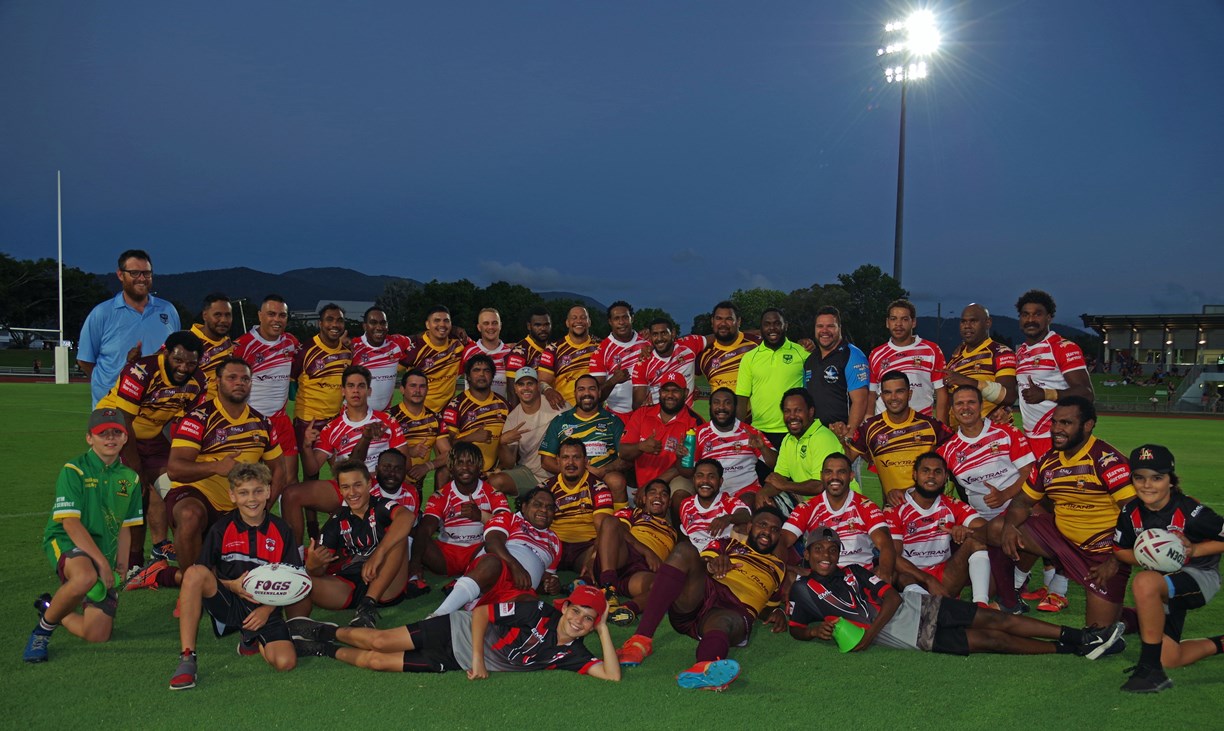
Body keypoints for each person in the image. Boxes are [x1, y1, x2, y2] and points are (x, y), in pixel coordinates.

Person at [786, 527, 1125, 659]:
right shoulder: (802, 591)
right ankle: (1071, 649)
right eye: (819, 550)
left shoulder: (855, 571)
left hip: (917, 607)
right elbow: (796, 627)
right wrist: (814, 630)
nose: (826, 556)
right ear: (808, 553)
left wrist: (868, 636)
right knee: (990, 641)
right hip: (912, 637)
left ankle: (1081, 635)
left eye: (833, 550)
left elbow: (890, 598)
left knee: (995, 619)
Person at [126, 357, 285, 590]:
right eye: (232, 378)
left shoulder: (262, 422)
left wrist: (263, 507)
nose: (239, 383)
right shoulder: (199, 418)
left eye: (245, 379)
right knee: (189, 515)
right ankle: (194, 589)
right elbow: (175, 469)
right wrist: (215, 467)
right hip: (200, 496)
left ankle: (166, 576)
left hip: (240, 506)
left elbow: (279, 469)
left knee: (249, 579)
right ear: (218, 381)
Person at [980, 396, 1134, 623]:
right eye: (1054, 422)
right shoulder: (1048, 461)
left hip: (1101, 552)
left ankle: (1151, 617)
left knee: (1098, 629)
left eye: (1066, 423)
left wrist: (1115, 561)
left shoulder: (1106, 461)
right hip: (1061, 540)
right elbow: (1022, 502)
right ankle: (1009, 598)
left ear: (1088, 425)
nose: (1056, 429)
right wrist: (1011, 526)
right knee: (997, 528)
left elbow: (1134, 515)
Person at [287, 584, 620, 681]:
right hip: (456, 629)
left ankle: (321, 649)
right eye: (576, 611)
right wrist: (480, 658)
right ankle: (326, 631)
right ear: (564, 608)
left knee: (376, 663)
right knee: (379, 640)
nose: (578, 620)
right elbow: (480, 613)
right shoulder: (537, 611)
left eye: (589, 619)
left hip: (455, 660)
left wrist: (605, 630)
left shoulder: (574, 654)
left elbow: (612, 675)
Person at [616, 507, 789, 692]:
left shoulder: (779, 568)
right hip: (702, 596)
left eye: (774, 529)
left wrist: (777, 611)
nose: (767, 532)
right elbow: (704, 563)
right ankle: (639, 643)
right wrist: (712, 565)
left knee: (724, 621)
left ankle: (704, 669)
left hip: (736, 610)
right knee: (684, 550)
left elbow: (767, 605)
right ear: (749, 527)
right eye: (762, 525)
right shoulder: (727, 544)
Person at [167, 463, 302, 690]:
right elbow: (202, 572)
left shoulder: (282, 530)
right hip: (229, 603)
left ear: (268, 491)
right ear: (232, 495)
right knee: (193, 573)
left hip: (265, 607)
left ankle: (251, 637)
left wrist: (267, 609)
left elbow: (293, 580)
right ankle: (187, 659)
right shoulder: (221, 529)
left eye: (258, 491)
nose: (252, 499)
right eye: (243, 492)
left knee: (285, 662)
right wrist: (232, 586)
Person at [24, 409, 143, 663]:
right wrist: (101, 563)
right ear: (89, 438)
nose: (110, 439)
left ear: (125, 438)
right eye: (102, 434)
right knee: (86, 575)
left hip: (103, 549)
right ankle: (42, 633)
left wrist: (121, 564)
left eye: (116, 433)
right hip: (67, 540)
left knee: (97, 634)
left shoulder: (130, 478)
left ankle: (53, 607)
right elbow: (70, 524)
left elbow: (125, 526)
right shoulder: (74, 470)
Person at [1111, 444, 1224, 693]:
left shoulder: (1191, 511)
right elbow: (1120, 550)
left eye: (1157, 478)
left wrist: (1194, 550)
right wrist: (1148, 556)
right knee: (1170, 658)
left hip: (1199, 577)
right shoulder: (1130, 512)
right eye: (1139, 478)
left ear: (1171, 481)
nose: (1147, 485)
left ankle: (1150, 671)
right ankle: (1218, 645)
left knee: (1145, 582)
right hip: (1163, 582)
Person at [97, 329, 206, 569]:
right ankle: (131, 560)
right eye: (178, 360)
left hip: (151, 433)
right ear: (165, 353)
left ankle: (161, 547)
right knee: (134, 490)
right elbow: (123, 418)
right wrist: (136, 467)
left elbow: (185, 422)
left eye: (191, 363)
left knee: (173, 486)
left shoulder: (197, 381)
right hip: (112, 428)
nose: (183, 368)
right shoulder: (141, 371)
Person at [284, 365, 408, 545]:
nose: (355, 391)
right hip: (346, 485)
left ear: (369, 390)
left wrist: (379, 474)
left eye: (361, 386)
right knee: (291, 494)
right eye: (350, 386)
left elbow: (405, 462)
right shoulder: (332, 427)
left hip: (380, 485)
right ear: (343, 391)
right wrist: (306, 446)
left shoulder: (386, 421)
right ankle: (295, 557)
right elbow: (312, 468)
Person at [938, 385, 1035, 611]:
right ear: (952, 410)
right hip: (981, 522)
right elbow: (938, 493)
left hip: (1017, 511)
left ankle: (1016, 587)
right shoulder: (948, 450)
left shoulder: (1006, 433)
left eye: (971, 402)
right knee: (982, 581)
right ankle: (990, 600)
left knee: (1037, 518)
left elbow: (1029, 471)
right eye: (959, 403)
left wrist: (1005, 495)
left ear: (982, 406)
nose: (966, 408)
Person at [302, 460, 415, 629]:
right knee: (302, 581)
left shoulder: (382, 505)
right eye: (346, 487)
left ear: (369, 484)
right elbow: (320, 569)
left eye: (357, 485)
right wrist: (312, 566)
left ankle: (367, 607)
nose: (352, 492)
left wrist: (378, 554)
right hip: (349, 586)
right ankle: (299, 628)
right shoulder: (336, 520)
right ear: (340, 489)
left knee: (399, 538)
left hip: (387, 585)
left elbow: (407, 517)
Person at [428, 488, 562, 617]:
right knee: (492, 562)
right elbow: (492, 543)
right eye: (537, 505)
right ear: (524, 507)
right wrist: (515, 567)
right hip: (496, 573)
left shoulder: (555, 542)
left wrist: (549, 586)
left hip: (520, 589)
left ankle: (482, 616)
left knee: (533, 606)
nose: (544, 510)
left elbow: (544, 578)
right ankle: (439, 614)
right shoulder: (510, 518)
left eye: (550, 507)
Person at [884, 453, 991, 606]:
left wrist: (964, 531)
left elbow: (986, 530)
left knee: (976, 541)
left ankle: (981, 605)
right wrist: (928, 579)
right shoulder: (895, 509)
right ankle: (928, 608)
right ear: (915, 474)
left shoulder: (952, 504)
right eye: (925, 471)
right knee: (902, 576)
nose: (931, 476)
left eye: (937, 472)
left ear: (945, 476)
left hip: (944, 576)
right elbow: (892, 556)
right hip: (911, 576)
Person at [78, 249, 182, 406]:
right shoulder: (102, 313)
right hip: (113, 406)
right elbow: (85, 361)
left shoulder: (168, 310)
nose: (142, 278)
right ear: (120, 275)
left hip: (156, 407)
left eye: (146, 273)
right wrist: (107, 386)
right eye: (134, 273)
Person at [778, 453, 896, 579]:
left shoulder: (866, 506)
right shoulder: (807, 507)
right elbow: (782, 540)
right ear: (821, 476)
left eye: (841, 472)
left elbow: (886, 544)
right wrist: (785, 567)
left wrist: (883, 576)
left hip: (858, 579)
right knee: (790, 577)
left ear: (851, 476)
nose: (835, 477)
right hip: (820, 579)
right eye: (829, 472)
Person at [846, 370, 954, 507]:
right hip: (893, 512)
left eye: (899, 391)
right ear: (882, 396)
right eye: (887, 392)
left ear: (909, 394)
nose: (893, 397)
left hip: (930, 510)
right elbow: (848, 457)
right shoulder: (870, 428)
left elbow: (958, 456)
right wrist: (840, 439)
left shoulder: (931, 426)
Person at [409, 443, 511, 581]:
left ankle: (468, 578)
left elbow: (508, 523)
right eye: (460, 462)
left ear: (480, 466)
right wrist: (415, 562)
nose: (465, 467)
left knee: (503, 543)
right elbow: (426, 529)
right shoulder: (440, 495)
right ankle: (414, 572)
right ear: (451, 467)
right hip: (444, 557)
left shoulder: (493, 493)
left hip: (478, 551)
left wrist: (480, 516)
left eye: (471, 462)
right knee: (413, 533)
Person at [1014, 289, 1093, 458]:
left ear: (1049, 317)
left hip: (1057, 438)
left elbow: (1086, 393)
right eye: (1025, 315)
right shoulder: (1021, 351)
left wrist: (1046, 394)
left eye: (1037, 314)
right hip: (1030, 438)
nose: (1030, 320)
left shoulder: (1062, 347)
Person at [233, 295, 301, 477]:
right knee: (248, 482)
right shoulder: (243, 345)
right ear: (260, 315)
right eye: (271, 314)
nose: (277, 320)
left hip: (280, 421)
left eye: (282, 315)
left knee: (289, 481)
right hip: (250, 423)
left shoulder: (290, 343)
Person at [594, 479, 678, 626]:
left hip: (639, 573)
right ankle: (608, 587)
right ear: (644, 499)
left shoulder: (674, 532)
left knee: (664, 585)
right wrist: (647, 552)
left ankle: (627, 609)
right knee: (610, 521)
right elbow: (615, 531)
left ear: (669, 502)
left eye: (663, 494)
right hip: (621, 557)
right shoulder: (633, 512)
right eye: (653, 493)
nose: (658, 497)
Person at [538, 373, 629, 507]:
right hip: (570, 475)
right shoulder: (560, 421)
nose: (586, 393)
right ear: (575, 393)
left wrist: (602, 471)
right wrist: (577, 471)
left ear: (599, 392)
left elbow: (626, 459)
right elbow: (546, 461)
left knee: (616, 480)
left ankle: (621, 520)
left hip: (603, 475)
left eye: (591, 389)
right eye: (581, 389)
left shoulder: (613, 421)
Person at [620, 373, 704, 515]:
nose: (670, 395)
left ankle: (681, 534)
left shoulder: (695, 422)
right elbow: (623, 451)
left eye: (675, 391)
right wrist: (641, 447)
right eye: (666, 390)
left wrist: (650, 486)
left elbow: (686, 467)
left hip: (672, 480)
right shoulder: (642, 413)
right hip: (639, 481)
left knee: (680, 491)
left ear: (685, 393)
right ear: (659, 392)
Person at [292, 303, 352, 482]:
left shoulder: (347, 351)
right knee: (312, 475)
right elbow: (291, 380)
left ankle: (344, 510)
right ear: (320, 324)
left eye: (340, 320)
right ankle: (310, 510)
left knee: (345, 473)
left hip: (335, 422)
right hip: (308, 422)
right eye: (330, 319)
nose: (335, 324)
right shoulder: (305, 350)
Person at [760, 388, 844, 511]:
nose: (792, 416)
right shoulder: (788, 440)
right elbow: (778, 478)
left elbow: (820, 485)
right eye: (787, 411)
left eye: (798, 410)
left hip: (838, 508)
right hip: (810, 506)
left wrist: (785, 485)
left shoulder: (822, 438)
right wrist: (763, 493)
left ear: (810, 412)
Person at [540, 438, 614, 576]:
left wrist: (593, 556)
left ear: (586, 461)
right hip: (553, 545)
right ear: (558, 460)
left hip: (585, 548)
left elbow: (603, 528)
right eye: (565, 457)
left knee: (596, 569)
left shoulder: (599, 487)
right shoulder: (545, 488)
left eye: (576, 457)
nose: (570, 463)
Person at [734, 308, 807, 447]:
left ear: (786, 325)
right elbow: (742, 398)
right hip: (760, 431)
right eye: (767, 324)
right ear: (761, 328)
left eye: (777, 323)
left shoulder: (802, 353)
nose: (772, 328)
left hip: (795, 430)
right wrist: (739, 432)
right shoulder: (750, 358)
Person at [693, 388, 776, 506]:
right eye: (716, 402)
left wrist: (762, 447)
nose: (721, 407)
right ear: (710, 407)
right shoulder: (699, 433)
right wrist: (681, 457)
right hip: (712, 493)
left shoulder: (750, 432)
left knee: (746, 502)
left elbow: (775, 464)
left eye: (727, 403)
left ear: (735, 407)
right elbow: (688, 471)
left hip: (746, 491)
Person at [868, 299, 946, 418]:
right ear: (887, 322)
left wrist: (941, 427)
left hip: (921, 424)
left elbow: (941, 392)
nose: (898, 324)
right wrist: (869, 417)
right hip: (885, 425)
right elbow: (872, 392)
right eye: (893, 319)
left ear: (913, 322)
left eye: (904, 319)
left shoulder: (932, 350)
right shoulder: (876, 354)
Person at [490, 366, 560, 497]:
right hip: (530, 474)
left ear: (538, 386)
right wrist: (503, 442)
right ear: (515, 389)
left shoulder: (555, 403)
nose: (526, 388)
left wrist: (548, 389)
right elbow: (509, 463)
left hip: (560, 472)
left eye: (530, 383)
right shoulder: (512, 418)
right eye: (521, 384)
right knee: (495, 481)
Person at [802, 306, 869, 440]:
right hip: (816, 437)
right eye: (820, 326)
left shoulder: (852, 354)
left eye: (830, 326)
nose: (824, 331)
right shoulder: (810, 360)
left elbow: (860, 401)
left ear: (839, 328)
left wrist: (849, 436)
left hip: (842, 436)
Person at [942, 304, 1017, 423]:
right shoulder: (955, 359)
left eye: (973, 321)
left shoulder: (1001, 353)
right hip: (960, 435)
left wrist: (967, 381)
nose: (967, 326)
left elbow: (1009, 396)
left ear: (988, 322)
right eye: (963, 322)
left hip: (991, 435)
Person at [388, 369, 451, 499]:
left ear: (427, 390)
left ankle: (440, 509)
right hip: (389, 485)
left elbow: (448, 453)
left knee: (446, 469)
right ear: (402, 389)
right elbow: (377, 453)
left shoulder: (435, 419)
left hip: (416, 487)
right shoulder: (389, 417)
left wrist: (427, 466)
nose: (417, 390)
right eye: (412, 386)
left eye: (422, 386)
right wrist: (409, 451)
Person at [440, 354, 509, 473]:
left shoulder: (504, 406)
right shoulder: (455, 406)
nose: (482, 374)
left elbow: (510, 445)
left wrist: (499, 468)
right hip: (463, 473)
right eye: (476, 370)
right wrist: (470, 438)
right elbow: (448, 445)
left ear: (492, 376)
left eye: (486, 370)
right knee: (443, 472)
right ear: (468, 377)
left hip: (493, 472)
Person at [631, 318, 710, 409]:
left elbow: (719, 338)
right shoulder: (644, 362)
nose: (659, 338)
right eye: (655, 334)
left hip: (686, 418)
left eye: (664, 333)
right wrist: (646, 408)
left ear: (672, 333)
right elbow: (637, 405)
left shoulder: (689, 345)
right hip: (658, 418)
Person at [401, 305, 467, 413]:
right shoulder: (414, 347)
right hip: (418, 413)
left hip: (446, 413)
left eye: (446, 321)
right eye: (437, 320)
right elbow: (390, 371)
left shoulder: (459, 344)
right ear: (427, 324)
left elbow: (487, 348)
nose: (442, 324)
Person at [589, 300, 649, 418]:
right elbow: (596, 395)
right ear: (610, 322)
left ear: (632, 318)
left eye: (625, 317)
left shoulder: (648, 343)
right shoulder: (602, 351)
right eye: (616, 318)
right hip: (617, 415)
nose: (621, 322)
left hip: (649, 413)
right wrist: (613, 380)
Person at [351, 306, 416, 411]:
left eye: (383, 323)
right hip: (357, 416)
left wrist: (450, 331)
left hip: (384, 415)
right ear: (365, 326)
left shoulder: (397, 343)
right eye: (373, 322)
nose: (379, 327)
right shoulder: (353, 347)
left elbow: (420, 339)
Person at [678, 460, 752, 551]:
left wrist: (727, 518)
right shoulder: (686, 505)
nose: (705, 480)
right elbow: (685, 535)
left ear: (720, 481)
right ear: (693, 480)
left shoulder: (727, 501)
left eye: (711, 476)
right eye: (700, 476)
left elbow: (746, 516)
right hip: (697, 559)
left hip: (724, 556)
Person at [539, 305, 599, 407]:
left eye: (583, 317)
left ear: (589, 322)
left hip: (594, 406)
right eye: (574, 318)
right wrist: (548, 390)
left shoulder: (600, 347)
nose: (579, 321)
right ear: (567, 323)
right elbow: (541, 382)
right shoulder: (553, 349)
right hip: (564, 407)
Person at [698, 301, 761, 394]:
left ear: (738, 321)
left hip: (752, 409)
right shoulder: (703, 352)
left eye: (729, 319)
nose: (723, 323)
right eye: (718, 318)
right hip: (718, 408)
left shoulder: (757, 344)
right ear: (712, 321)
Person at [506, 307, 564, 409]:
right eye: (538, 325)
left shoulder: (554, 348)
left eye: (546, 324)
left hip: (553, 406)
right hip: (530, 409)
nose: (543, 328)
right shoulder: (519, 351)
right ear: (529, 326)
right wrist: (516, 417)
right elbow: (512, 390)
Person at [189, 293, 235, 401]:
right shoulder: (186, 342)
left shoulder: (228, 343)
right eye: (218, 315)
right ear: (205, 315)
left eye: (228, 315)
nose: (224, 320)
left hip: (222, 412)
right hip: (194, 413)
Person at [460, 307, 512, 399]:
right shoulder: (469, 351)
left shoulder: (510, 353)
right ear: (479, 327)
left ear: (500, 325)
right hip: (472, 411)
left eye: (495, 323)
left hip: (500, 410)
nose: (491, 327)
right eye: (486, 323)